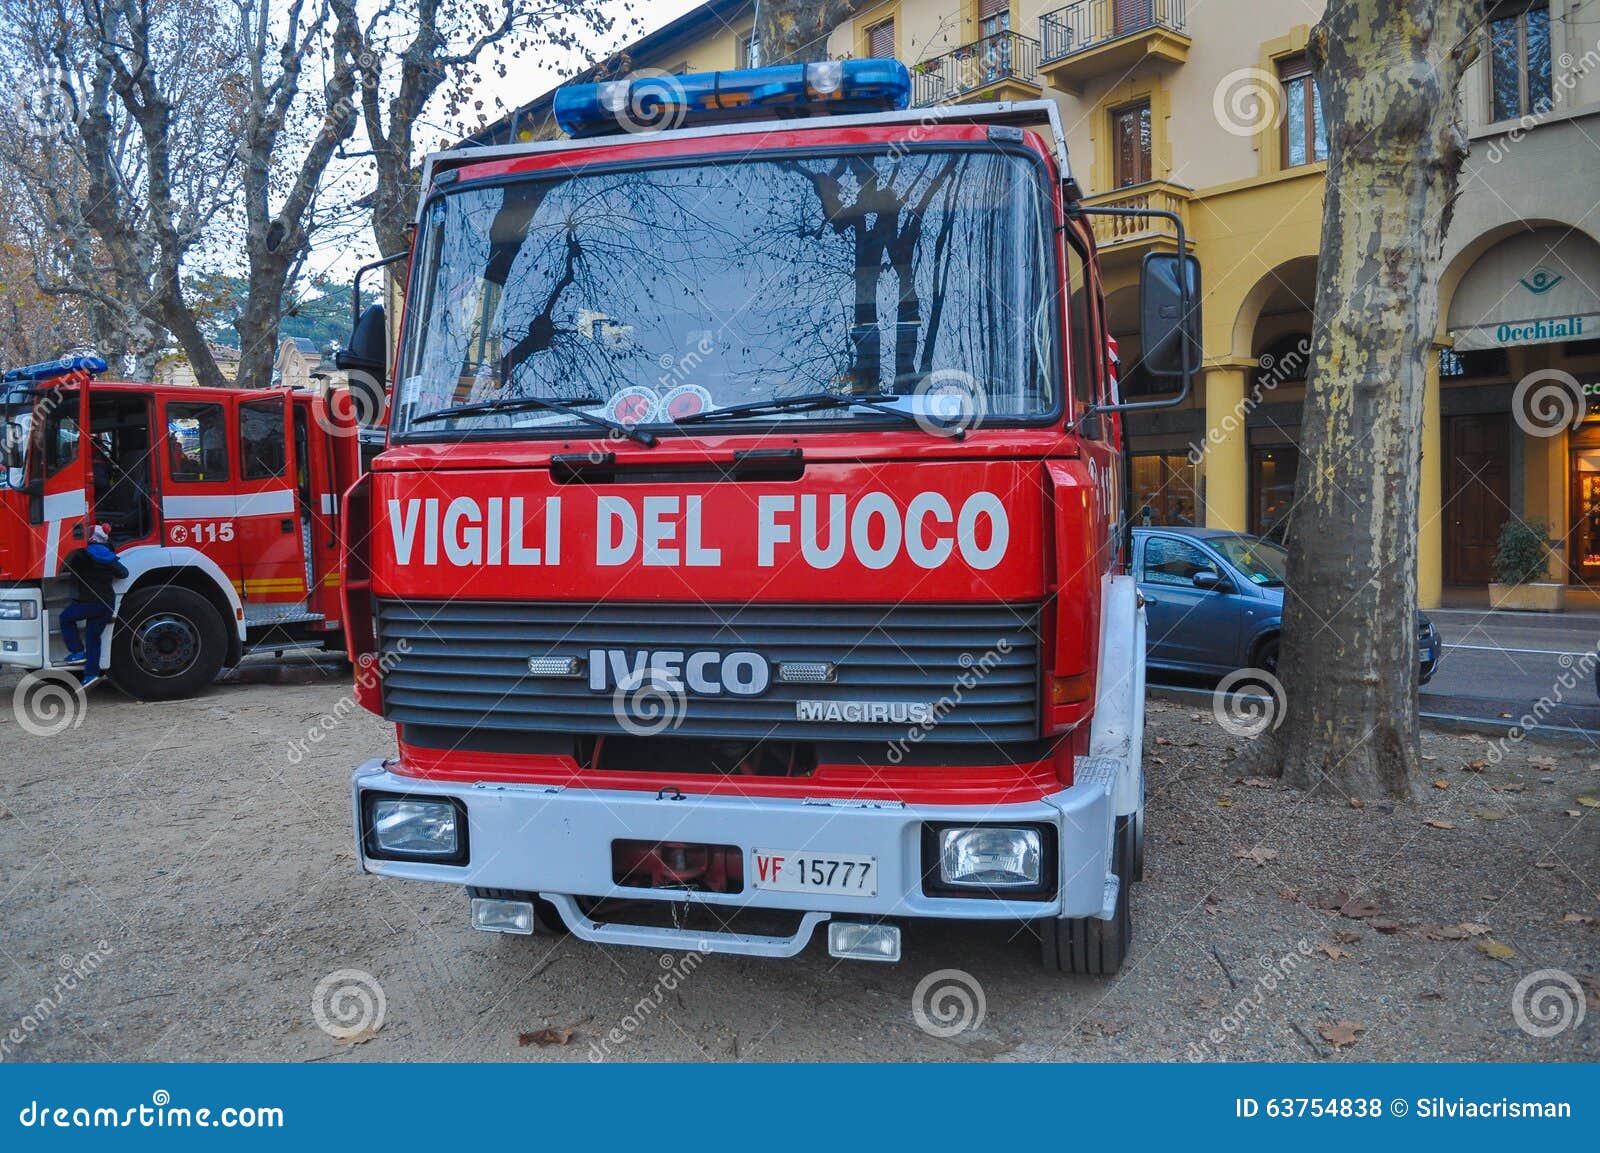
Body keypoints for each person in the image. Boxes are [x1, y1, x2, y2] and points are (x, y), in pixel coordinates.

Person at [60, 523, 127, 688]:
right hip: (106, 604)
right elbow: (123, 573)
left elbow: (66, 565)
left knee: (66, 618)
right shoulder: (109, 556)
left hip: (89, 602)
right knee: (93, 639)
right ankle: (91, 674)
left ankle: (76, 651)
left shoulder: (83, 555)